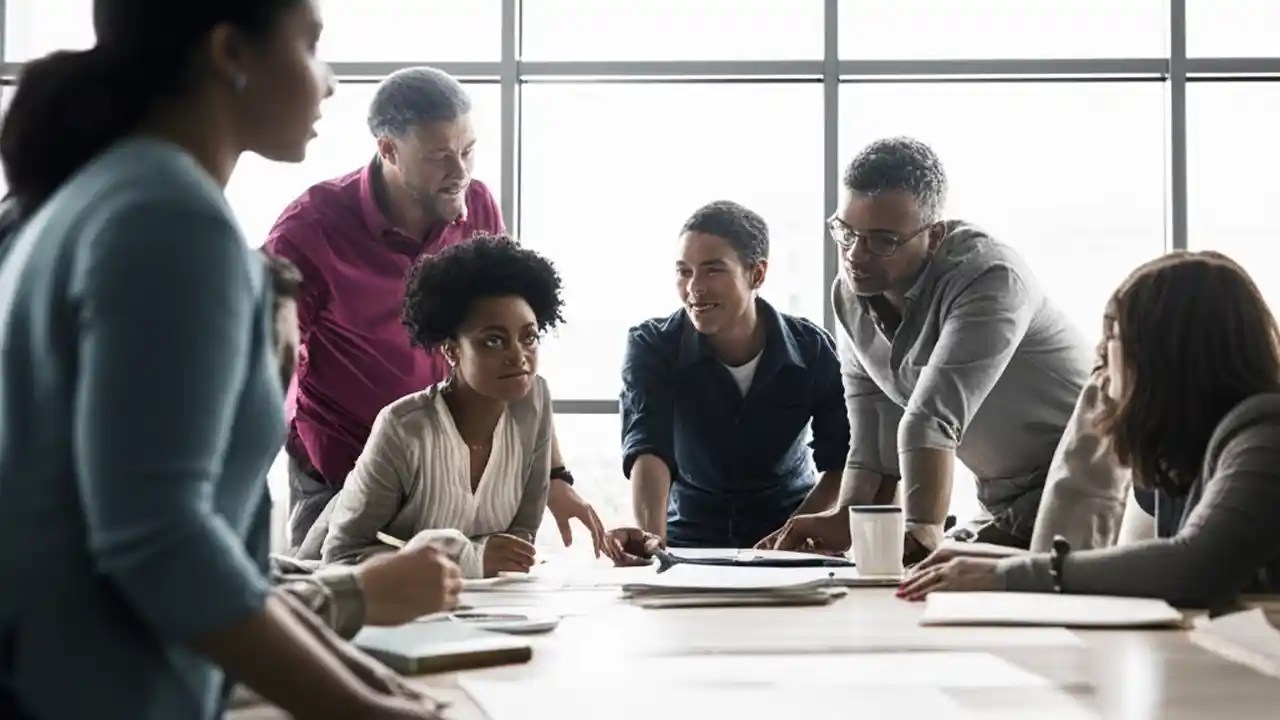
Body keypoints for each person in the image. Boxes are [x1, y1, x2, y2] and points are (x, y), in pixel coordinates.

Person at [0, 1, 444, 718]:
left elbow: (201, 548)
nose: (327, 83)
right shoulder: (167, 217)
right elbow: (160, 540)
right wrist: (361, 712)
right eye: (310, 47)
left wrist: (366, 683)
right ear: (230, 53)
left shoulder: (100, 197)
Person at [264, 67, 604, 555]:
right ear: (388, 150)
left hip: (450, 474)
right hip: (344, 471)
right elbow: (272, 367)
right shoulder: (310, 231)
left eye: (467, 151)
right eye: (440, 157)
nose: (460, 172)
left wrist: (555, 475)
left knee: (464, 610)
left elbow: (512, 341)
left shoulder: (478, 204)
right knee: (335, 611)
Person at [770, 137, 1092, 562]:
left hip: (1083, 485)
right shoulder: (850, 296)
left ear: (934, 235)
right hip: (1002, 502)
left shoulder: (990, 277)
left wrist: (920, 534)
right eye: (846, 233)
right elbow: (874, 441)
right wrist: (844, 519)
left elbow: (933, 419)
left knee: (941, 588)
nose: (855, 256)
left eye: (882, 241)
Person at [898, 251, 1280, 610]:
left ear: (1163, 352)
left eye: (1113, 337)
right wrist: (997, 561)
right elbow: (1165, 567)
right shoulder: (1194, 454)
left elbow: (1195, 567)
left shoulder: (1266, 435)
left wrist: (1008, 574)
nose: (1100, 354)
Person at [297, 235, 565, 578]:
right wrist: (469, 560)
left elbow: (518, 538)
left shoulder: (534, 402)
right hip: (336, 593)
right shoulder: (403, 427)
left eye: (528, 337)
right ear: (451, 350)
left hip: (457, 607)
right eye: (493, 341)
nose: (519, 356)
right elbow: (341, 554)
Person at [621, 201, 850, 548]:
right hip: (688, 539)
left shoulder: (812, 349)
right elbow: (648, 447)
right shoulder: (653, 345)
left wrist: (793, 536)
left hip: (791, 539)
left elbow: (842, 462)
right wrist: (656, 546)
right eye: (684, 271)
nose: (694, 287)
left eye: (713, 270)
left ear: (756, 274)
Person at [263, 251, 462, 639]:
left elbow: (255, 586)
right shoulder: (400, 425)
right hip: (332, 474)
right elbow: (222, 611)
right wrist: (358, 595)